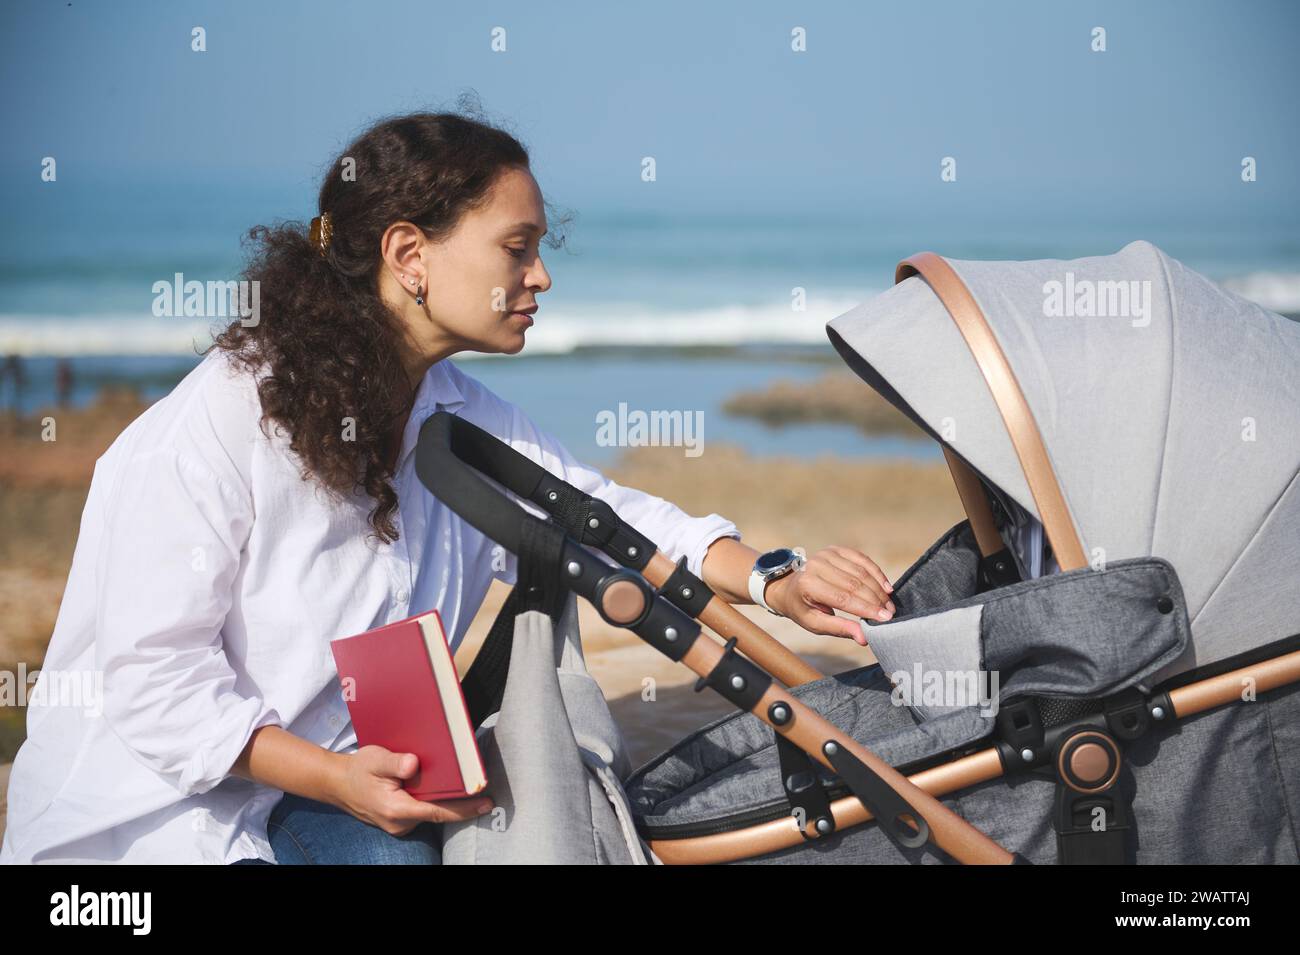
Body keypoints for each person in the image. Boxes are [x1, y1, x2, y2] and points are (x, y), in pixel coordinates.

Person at [0, 111, 895, 865]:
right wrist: (336, 779)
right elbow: (154, 683)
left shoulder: (461, 416)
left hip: (341, 792)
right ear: (408, 254)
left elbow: (608, 519)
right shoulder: (219, 424)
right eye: (516, 247)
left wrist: (776, 577)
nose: (541, 275)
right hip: (150, 821)